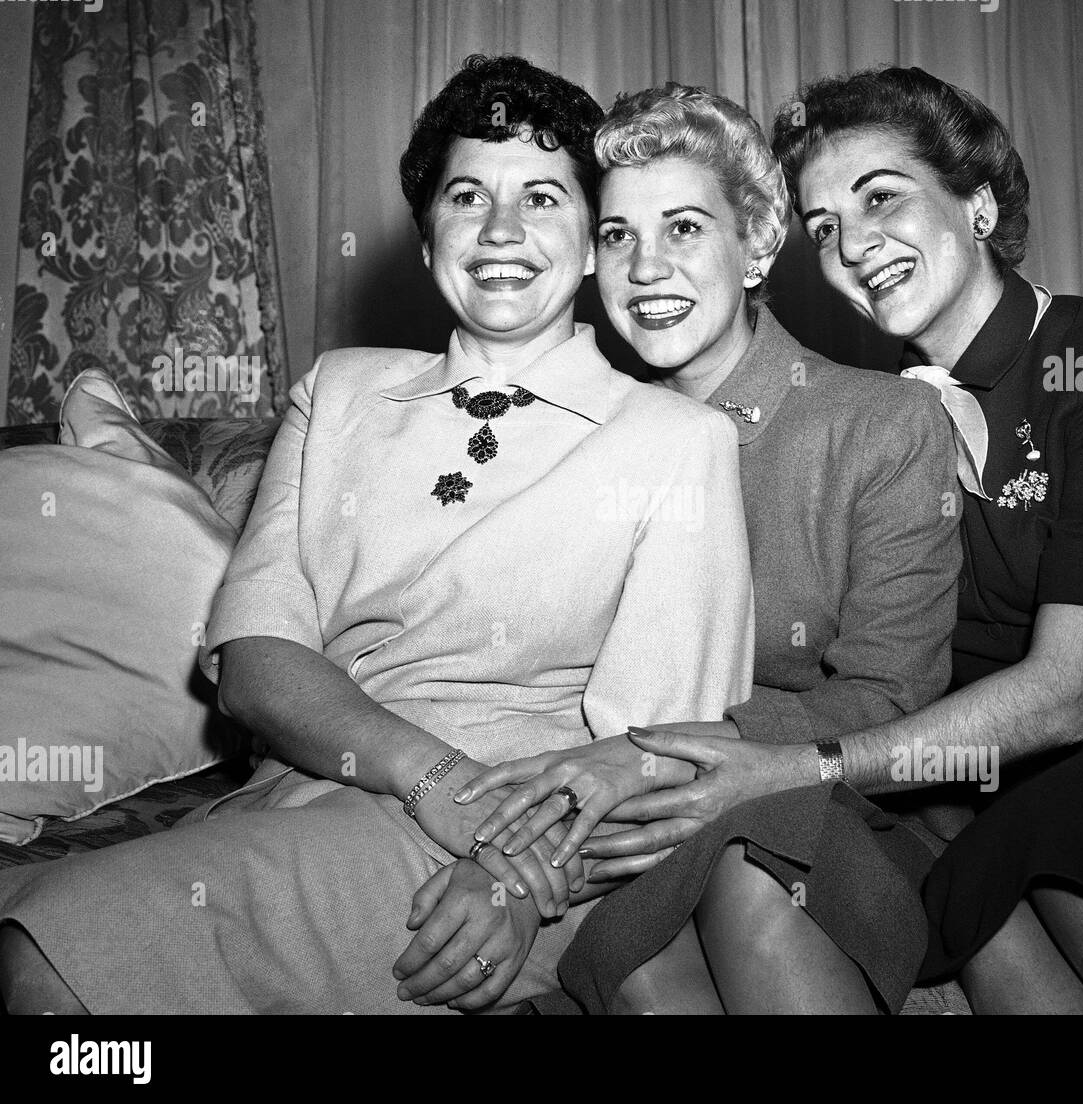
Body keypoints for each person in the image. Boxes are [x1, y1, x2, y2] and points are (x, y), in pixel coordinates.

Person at [0, 55, 753, 1015]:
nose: (502, 232)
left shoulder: (676, 442)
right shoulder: (340, 391)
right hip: (322, 799)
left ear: (598, 242)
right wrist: (427, 774)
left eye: (545, 199)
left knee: (53, 961)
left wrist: (517, 877)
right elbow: (256, 660)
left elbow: (662, 749)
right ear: (428, 229)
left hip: (508, 856)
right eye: (468, 195)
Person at [544, 65, 1083, 1014]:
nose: (856, 246)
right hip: (1007, 784)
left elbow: (1066, 695)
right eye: (825, 229)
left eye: (883, 199)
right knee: (975, 887)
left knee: (1051, 860)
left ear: (978, 206)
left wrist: (800, 764)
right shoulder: (883, 415)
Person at [451, 83, 965, 1014]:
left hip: (831, 798)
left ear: (760, 242)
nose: (646, 268)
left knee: (745, 873)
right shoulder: (563, 428)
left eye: (684, 227)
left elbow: (894, 691)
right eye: (616, 236)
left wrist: (660, 753)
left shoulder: (882, 423)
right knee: (639, 948)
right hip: (618, 804)